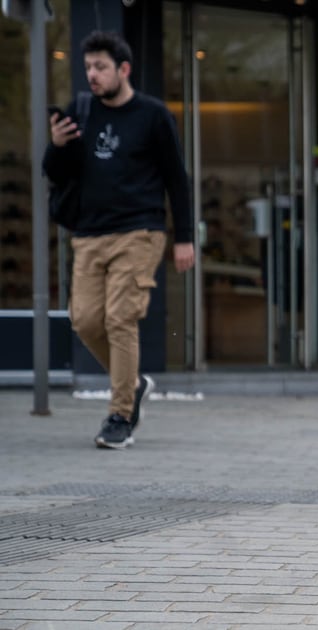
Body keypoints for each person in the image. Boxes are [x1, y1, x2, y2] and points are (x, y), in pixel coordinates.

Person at [42, 31, 194, 449]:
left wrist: (184, 237)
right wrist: (56, 146)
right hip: (89, 234)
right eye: (88, 67)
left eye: (101, 67)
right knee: (85, 320)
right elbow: (57, 172)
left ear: (123, 69)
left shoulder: (153, 115)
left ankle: (120, 414)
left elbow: (177, 179)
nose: (92, 74)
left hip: (139, 233)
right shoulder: (82, 111)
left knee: (119, 318)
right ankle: (134, 383)